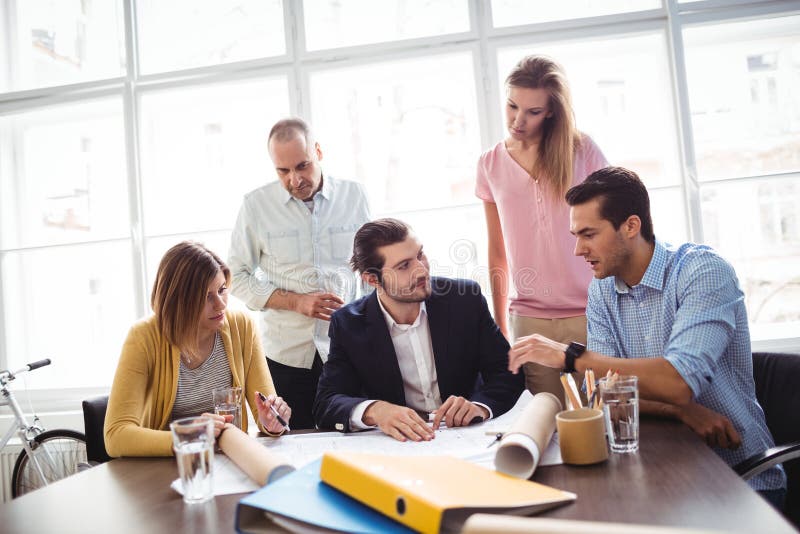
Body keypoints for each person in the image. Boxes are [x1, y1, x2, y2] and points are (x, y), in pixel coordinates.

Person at [507, 167, 786, 503]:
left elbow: (679, 382)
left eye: (589, 234)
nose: (578, 250)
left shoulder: (703, 272)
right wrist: (680, 411)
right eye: (575, 236)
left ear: (631, 226)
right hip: (666, 480)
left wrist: (571, 356)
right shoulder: (602, 290)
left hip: (741, 480)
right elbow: (608, 393)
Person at [313, 218, 524, 441]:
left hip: (468, 438)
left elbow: (508, 372)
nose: (421, 270)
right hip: (400, 447)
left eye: (420, 254)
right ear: (372, 279)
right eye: (404, 266)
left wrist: (480, 406)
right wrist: (375, 410)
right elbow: (326, 403)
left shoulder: (465, 300)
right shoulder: (348, 324)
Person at [476, 55, 608, 406]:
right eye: (512, 106)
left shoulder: (583, 151)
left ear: (551, 111)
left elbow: (612, 233)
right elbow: (497, 250)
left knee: (600, 420)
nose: (518, 120)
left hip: (590, 313)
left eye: (533, 112)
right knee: (544, 424)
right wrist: (500, 322)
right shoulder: (490, 164)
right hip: (530, 318)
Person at [228, 118, 371, 429]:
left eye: (302, 166)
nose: (295, 179)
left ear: (318, 151)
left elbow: (371, 272)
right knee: (292, 444)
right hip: (287, 358)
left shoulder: (355, 196)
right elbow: (235, 276)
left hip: (348, 350)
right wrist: (295, 302)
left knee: (356, 439)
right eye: (283, 171)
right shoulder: (255, 206)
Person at [105, 241, 291, 457]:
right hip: (169, 467)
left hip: (230, 460)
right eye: (206, 296)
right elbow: (115, 436)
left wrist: (273, 422)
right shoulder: (143, 337)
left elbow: (266, 414)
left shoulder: (242, 326)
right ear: (178, 301)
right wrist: (190, 435)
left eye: (222, 290)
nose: (220, 304)